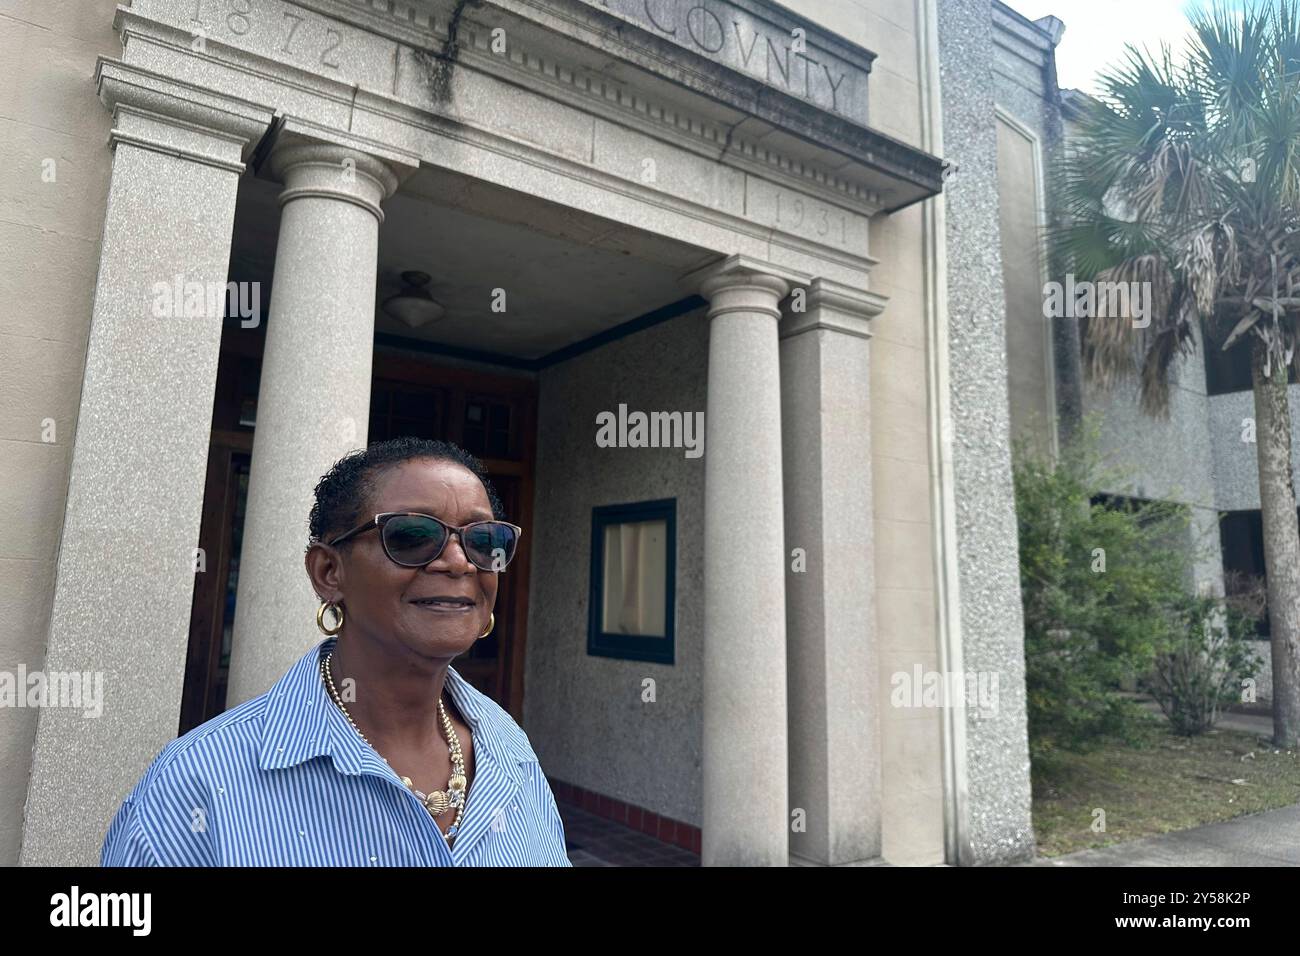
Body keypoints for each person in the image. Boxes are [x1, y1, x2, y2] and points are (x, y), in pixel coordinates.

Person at [101, 437, 572, 866]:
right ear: (329, 571)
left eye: (483, 540)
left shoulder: (507, 748)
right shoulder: (198, 783)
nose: (458, 561)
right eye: (411, 536)